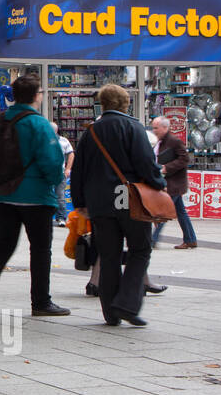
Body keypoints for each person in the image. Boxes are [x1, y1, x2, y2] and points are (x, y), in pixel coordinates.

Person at [0, 75, 70, 316]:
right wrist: (57, 182)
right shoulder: (39, 124)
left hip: (2, 194)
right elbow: (52, 161)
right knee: (40, 249)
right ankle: (41, 302)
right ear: (37, 95)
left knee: (4, 244)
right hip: (36, 197)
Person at [70, 84, 166, 327]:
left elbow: (79, 170)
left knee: (109, 254)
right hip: (130, 198)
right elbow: (146, 164)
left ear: (102, 104)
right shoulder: (134, 127)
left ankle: (110, 312)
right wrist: (158, 183)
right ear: (126, 103)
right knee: (140, 249)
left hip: (100, 202)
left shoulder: (90, 132)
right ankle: (127, 303)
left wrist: (79, 202)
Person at [150, 115, 196, 250]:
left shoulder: (174, 141)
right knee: (181, 212)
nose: (154, 131)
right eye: (153, 128)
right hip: (168, 182)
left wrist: (166, 168)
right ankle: (190, 239)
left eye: (156, 128)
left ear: (165, 128)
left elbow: (184, 159)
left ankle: (153, 239)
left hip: (174, 184)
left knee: (163, 212)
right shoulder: (160, 141)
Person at [51, 121, 74, 226]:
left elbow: (71, 154)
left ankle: (61, 218)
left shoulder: (63, 141)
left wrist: (68, 169)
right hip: (45, 173)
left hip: (59, 172)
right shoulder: (43, 140)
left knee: (60, 195)